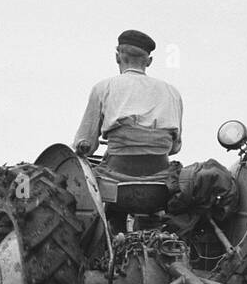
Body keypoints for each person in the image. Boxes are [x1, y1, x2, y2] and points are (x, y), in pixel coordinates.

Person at [74, 30, 183, 176]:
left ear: (117, 57)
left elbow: (86, 144)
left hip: (116, 171)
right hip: (161, 171)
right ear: (149, 61)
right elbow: (175, 148)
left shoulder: (103, 87)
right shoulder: (172, 92)